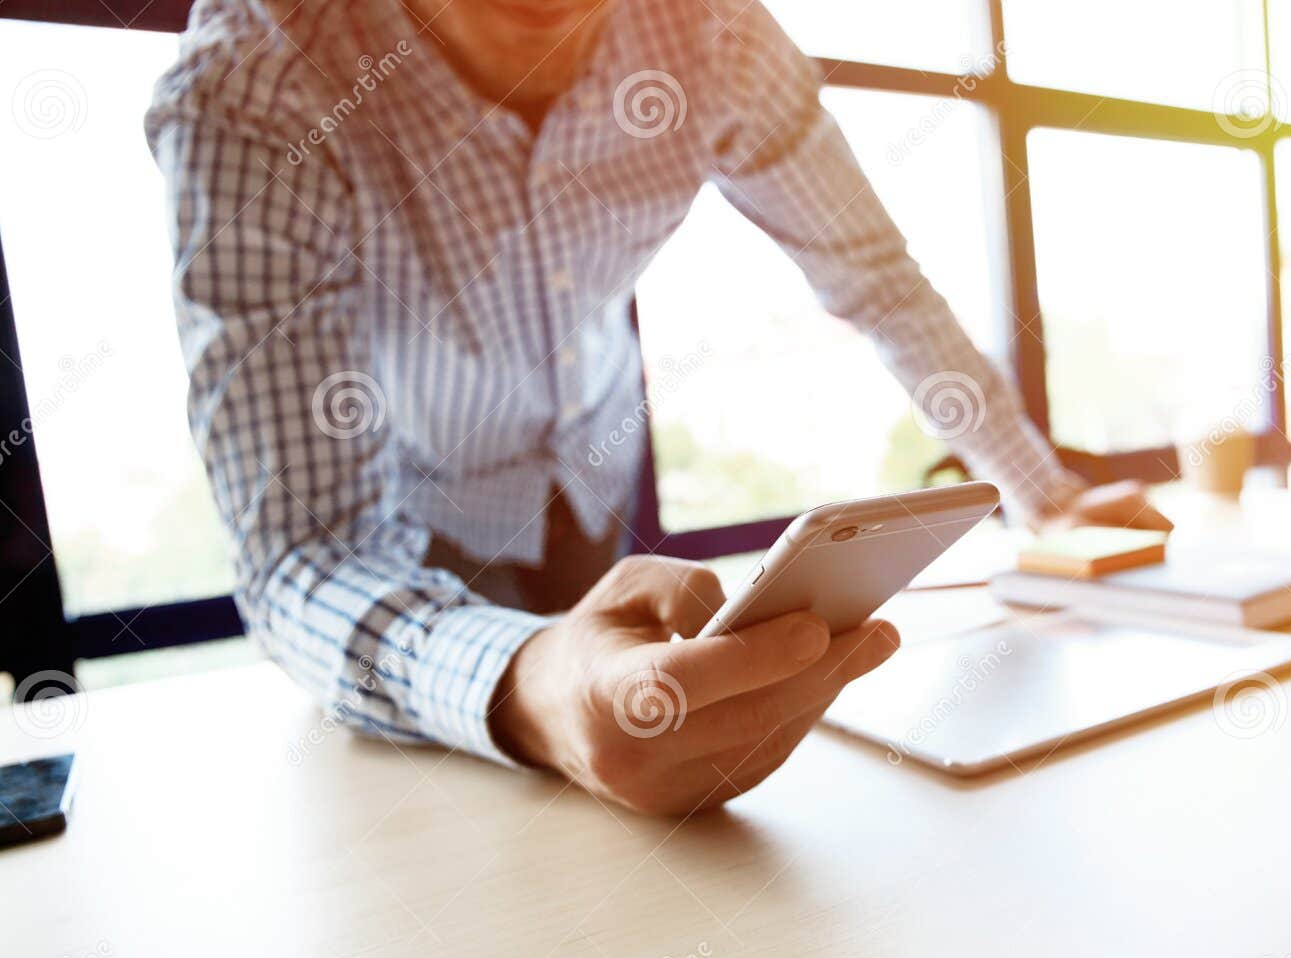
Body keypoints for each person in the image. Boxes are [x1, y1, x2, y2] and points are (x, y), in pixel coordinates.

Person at [147, 0, 1169, 815]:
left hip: (588, 458)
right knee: (444, 818)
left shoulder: (712, 32)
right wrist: (521, 681)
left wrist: (1045, 496)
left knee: (623, 794)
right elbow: (303, 556)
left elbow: (875, 279)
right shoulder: (257, 80)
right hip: (411, 517)